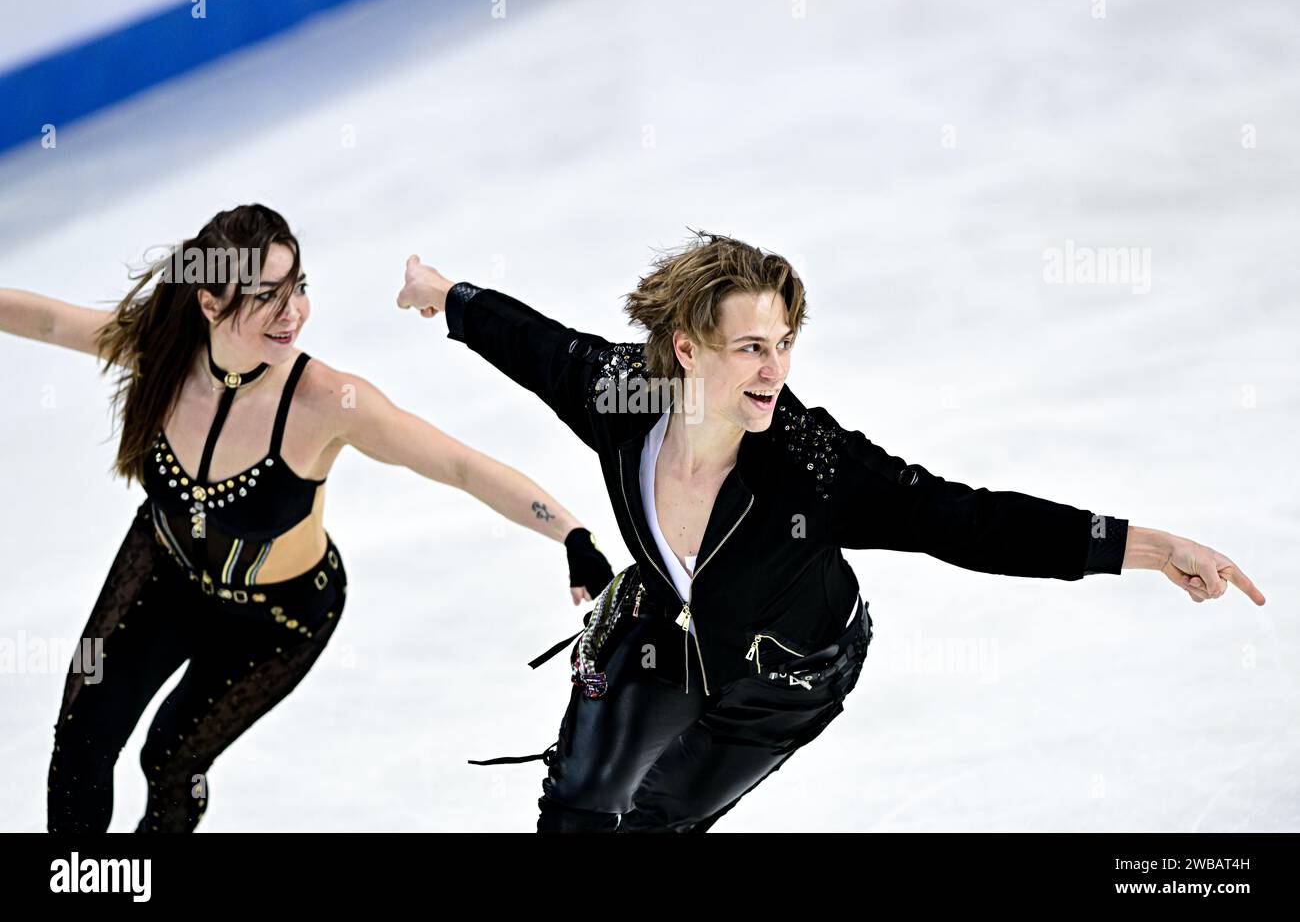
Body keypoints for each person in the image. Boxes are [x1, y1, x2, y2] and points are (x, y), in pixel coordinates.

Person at [397, 230, 1267, 832]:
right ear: (687, 352)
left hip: (788, 675)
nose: (774, 369)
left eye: (782, 343)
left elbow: (964, 519)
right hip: (666, 631)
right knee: (579, 808)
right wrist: (446, 296)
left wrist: (1148, 548)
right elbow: (536, 345)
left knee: (654, 821)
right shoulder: (625, 396)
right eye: (748, 348)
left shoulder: (808, 463)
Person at [0, 204, 613, 832]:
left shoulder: (324, 401)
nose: (291, 311)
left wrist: (570, 532)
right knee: (80, 746)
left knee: (170, 758)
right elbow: (49, 321)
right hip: (163, 568)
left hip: (276, 618)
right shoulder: (160, 349)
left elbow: (457, 465)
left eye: (298, 287)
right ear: (210, 302)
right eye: (266, 295)